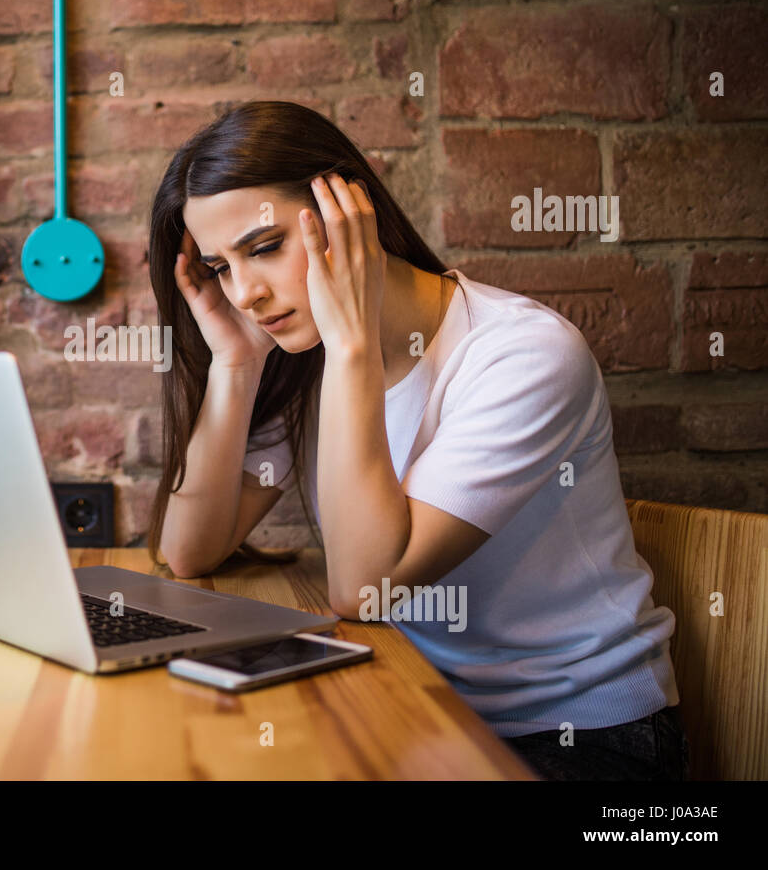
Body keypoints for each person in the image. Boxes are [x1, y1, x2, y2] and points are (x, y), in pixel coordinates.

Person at [144, 100, 688, 781]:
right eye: (222, 267)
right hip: (417, 704)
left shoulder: (523, 354)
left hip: (580, 737)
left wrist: (351, 350)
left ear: (351, 213)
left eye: (264, 247)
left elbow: (363, 591)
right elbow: (188, 549)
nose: (245, 292)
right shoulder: (307, 351)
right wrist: (236, 365)